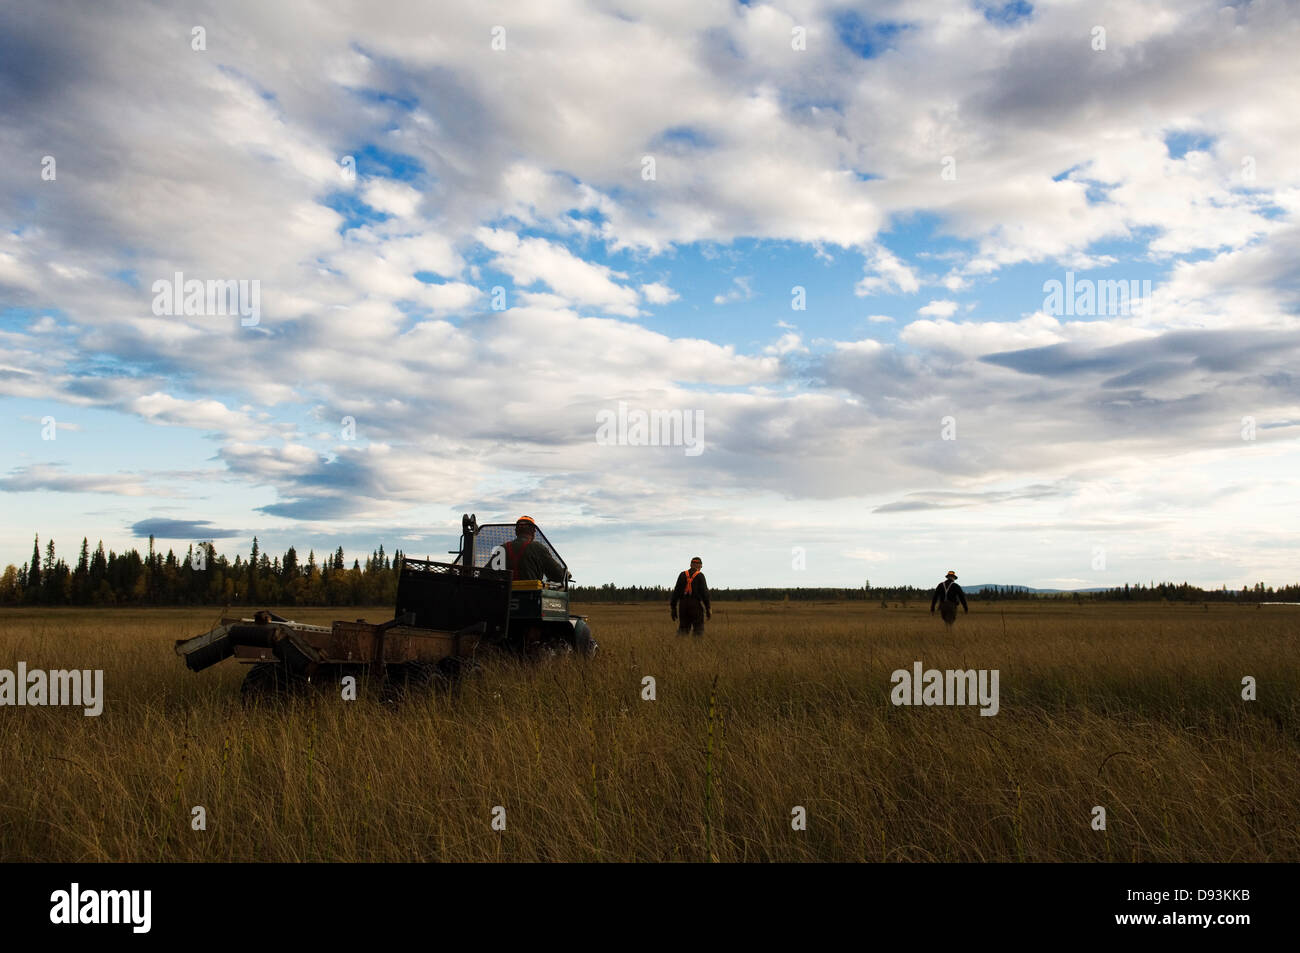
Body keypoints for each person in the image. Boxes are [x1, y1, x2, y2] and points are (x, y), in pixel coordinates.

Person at [497, 516, 568, 583]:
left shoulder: (503, 548)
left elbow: (488, 573)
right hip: (530, 594)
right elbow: (558, 575)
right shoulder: (538, 547)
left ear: (516, 532)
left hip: (503, 594)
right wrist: (565, 574)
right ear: (533, 531)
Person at [671, 556, 711, 636]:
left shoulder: (682, 575)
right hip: (695, 605)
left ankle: (679, 646)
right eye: (701, 565)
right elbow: (704, 593)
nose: (701, 567)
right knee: (698, 629)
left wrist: (673, 608)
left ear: (690, 564)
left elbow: (676, 592)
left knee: (683, 629)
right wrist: (708, 608)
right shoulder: (700, 575)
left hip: (683, 605)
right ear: (699, 565)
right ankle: (696, 647)